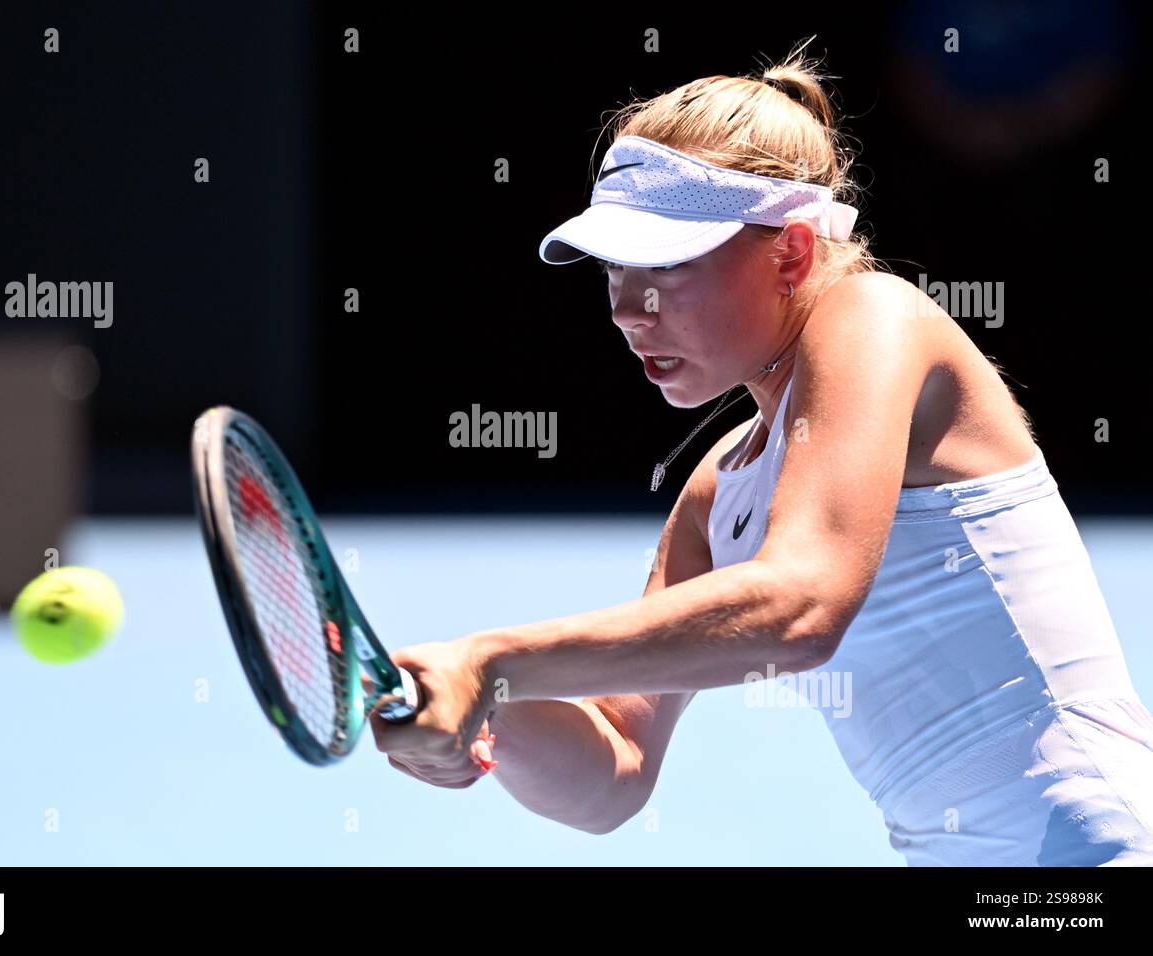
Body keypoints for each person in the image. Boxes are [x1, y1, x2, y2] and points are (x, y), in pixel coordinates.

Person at [370, 46, 1153, 866]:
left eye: (666, 266)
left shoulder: (875, 314)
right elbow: (613, 773)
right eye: (615, 269)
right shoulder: (716, 492)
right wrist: (485, 708)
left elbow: (802, 606)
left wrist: (491, 662)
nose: (629, 311)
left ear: (791, 252)